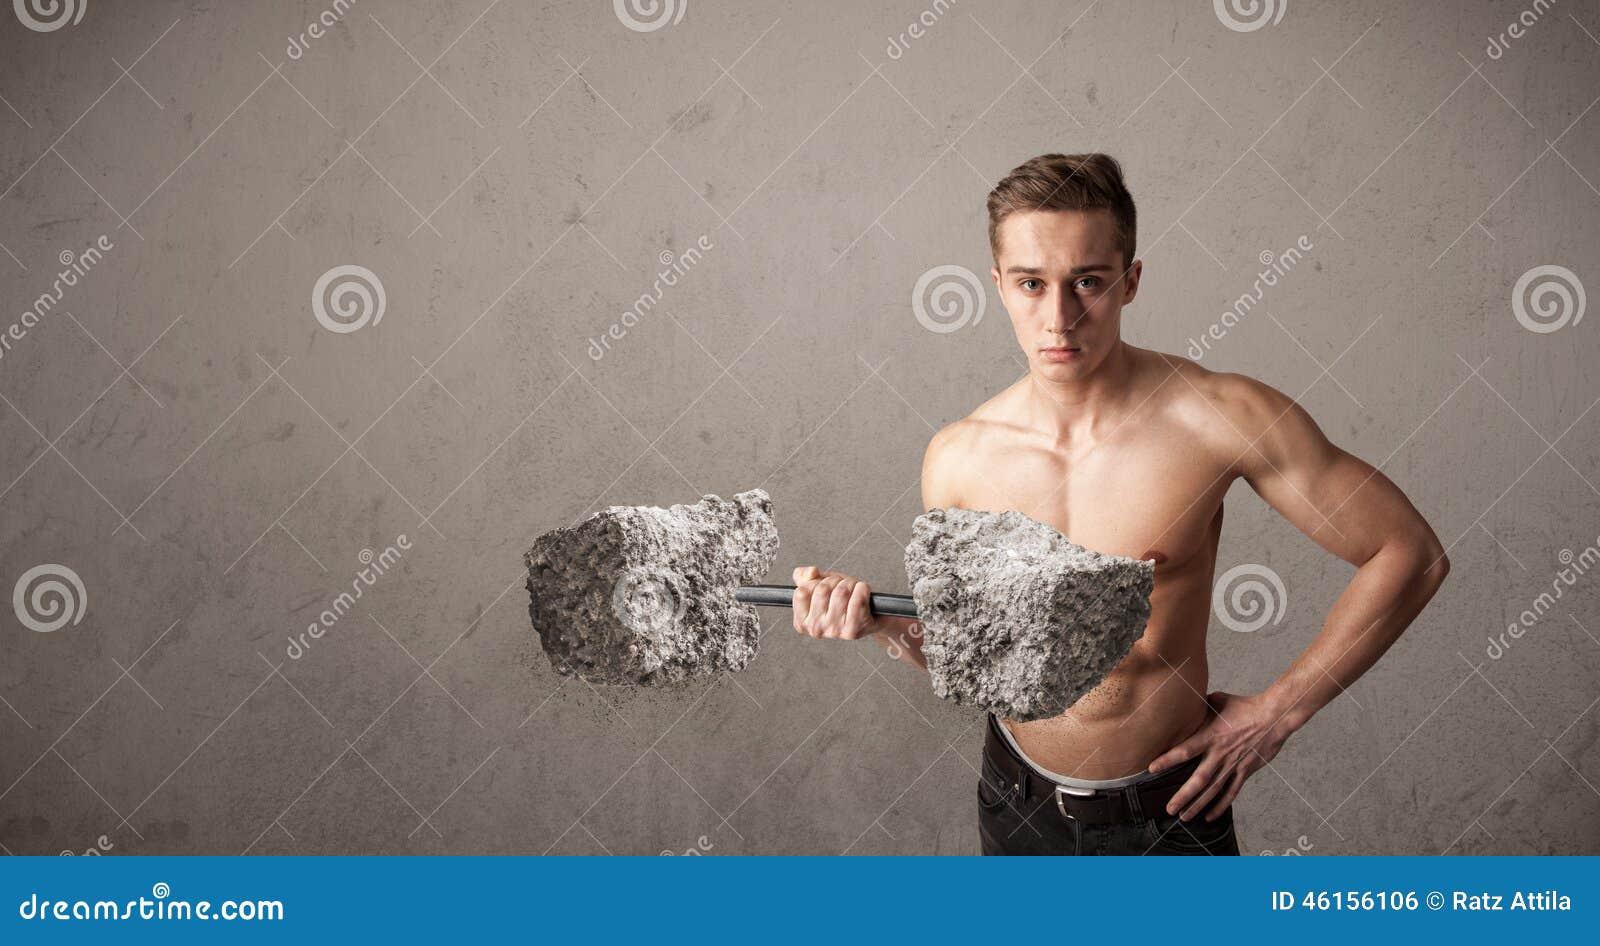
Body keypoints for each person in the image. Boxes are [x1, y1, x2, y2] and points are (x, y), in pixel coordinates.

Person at [790, 153, 1450, 856]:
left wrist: (1276, 715)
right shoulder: (959, 460)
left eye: (1088, 283)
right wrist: (880, 625)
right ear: (999, 287)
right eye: (1031, 284)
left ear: (1130, 281)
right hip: (1017, 805)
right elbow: (980, 659)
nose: (1059, 318)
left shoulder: (1216, 417)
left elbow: (1409, 554)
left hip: (1166, 814)